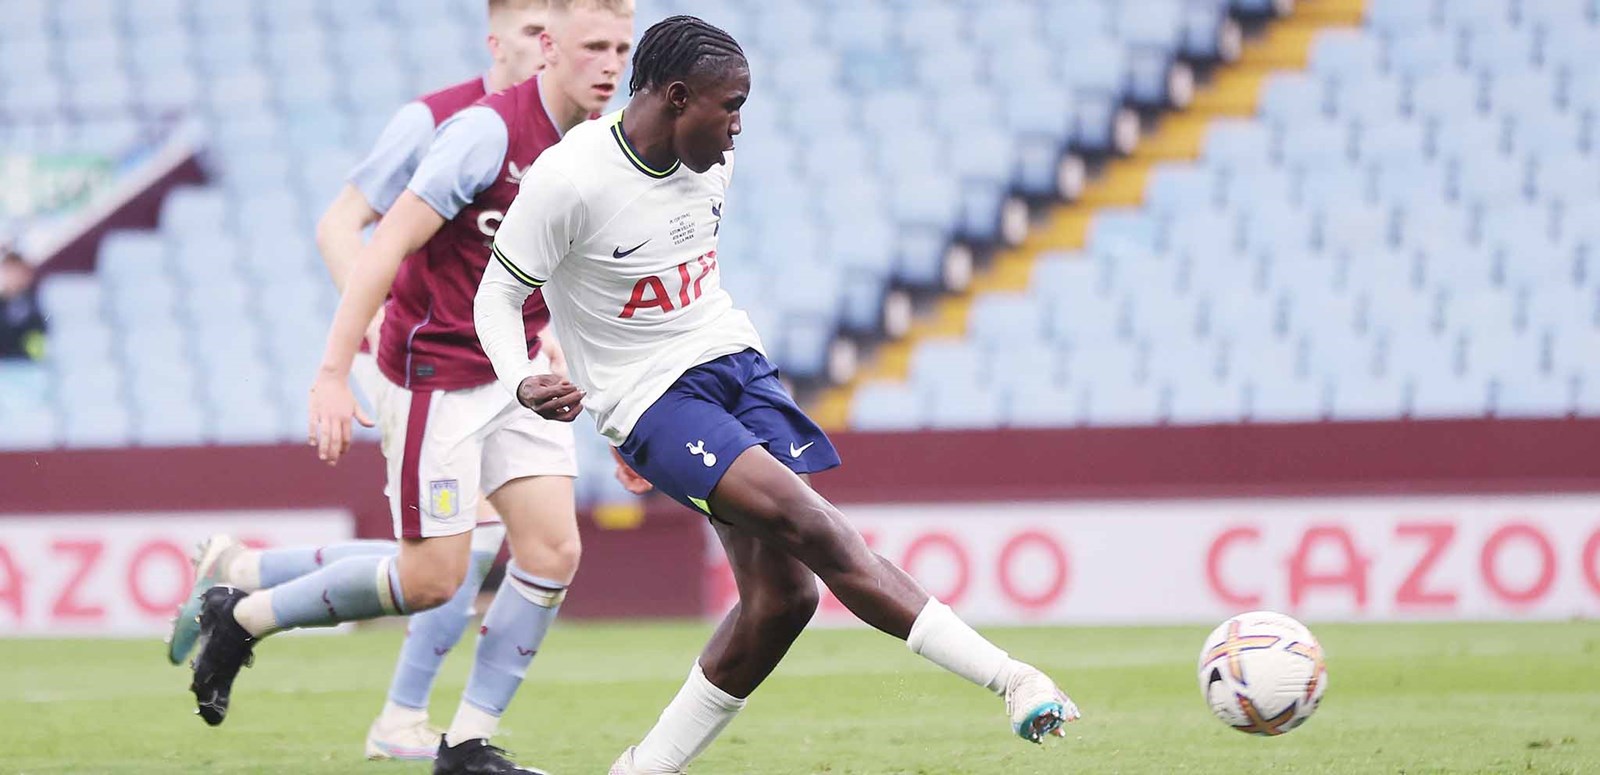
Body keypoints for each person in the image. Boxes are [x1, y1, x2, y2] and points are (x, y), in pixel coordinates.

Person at [475, 16, 1079, 774]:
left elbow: (680, 277)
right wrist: (525, 379)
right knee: (813, 525)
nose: (735, 130)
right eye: (729, 108)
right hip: (653, 400)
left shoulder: (709, 162)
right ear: (675, 96)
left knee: (782, 601)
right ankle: (1014, 680)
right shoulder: (569, 179)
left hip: (733, 359)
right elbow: (497, 296)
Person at [185, 2, 635, 773]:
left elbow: (577, 280)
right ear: (546, 45)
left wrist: (616, 411)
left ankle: (460, 745)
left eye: (623, 48)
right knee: (432, 578)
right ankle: (245, 614)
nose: (611, 64)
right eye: (595, 45)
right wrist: (334, 370)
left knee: (553, 549)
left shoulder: (601, 146)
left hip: (518, 370)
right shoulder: (479, 131)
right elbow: (379, 240)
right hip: (439, 375)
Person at [0, 246, 45, 361]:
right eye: (8, 272)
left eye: (16, 272)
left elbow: (39, 336)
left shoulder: (34, 304)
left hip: (24, 366)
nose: (12, 277)